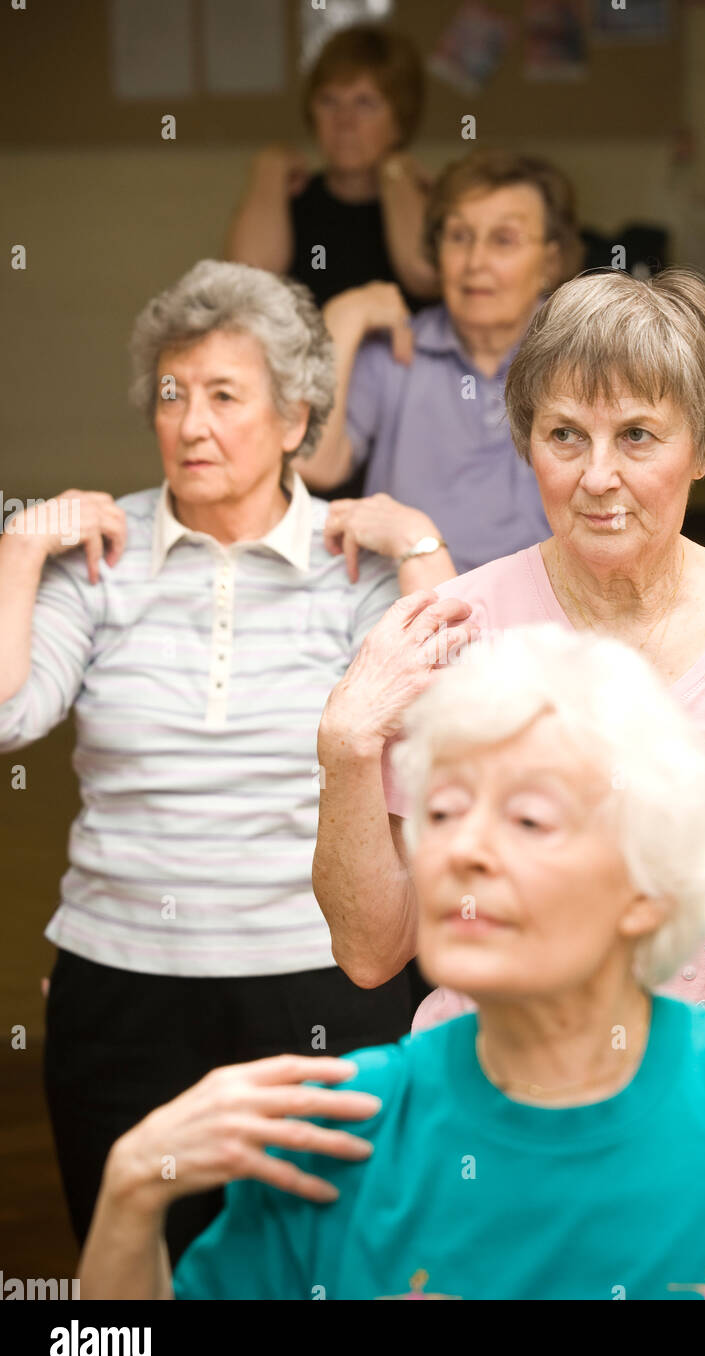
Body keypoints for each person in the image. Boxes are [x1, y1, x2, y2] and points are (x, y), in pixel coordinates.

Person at [76, 627, 705, 1300]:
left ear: (645, 886)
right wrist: (128, 1193)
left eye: (527, 821)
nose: (464, 853)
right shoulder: (332, 1128)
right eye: (444, 813)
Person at [313, 268, 705, 1035]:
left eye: (636, 435)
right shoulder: (449, 635)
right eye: (564, 434)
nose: (597, 477)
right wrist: (344, 752)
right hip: (507, 1117)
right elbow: (372, 952)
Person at [0, 259, 454, 1266]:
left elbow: (458, 728)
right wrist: (21, 548)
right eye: (170, 395)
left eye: (221, 395)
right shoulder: (101, 558)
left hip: (325, 978)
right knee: (133, 1268)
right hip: (121, 984)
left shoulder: (356, 563)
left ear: (296, 419)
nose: (190, 423)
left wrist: (419, 546)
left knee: (337, 1266)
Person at [297, 149, 582, 575]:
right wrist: (346, 315)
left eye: (503, 240)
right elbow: (314, 463)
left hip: (548, 619)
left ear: (550, 262)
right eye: (459, 237)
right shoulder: (397, 351)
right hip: (410, 607)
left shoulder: (582, 354)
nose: (475, 262)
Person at [225, 24, 436, 309]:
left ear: (401, 120)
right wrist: (269, 170)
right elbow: (246, 279)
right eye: (329, 101)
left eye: (365, 103)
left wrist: (395, 172)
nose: (344, 121)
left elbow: (425, 274)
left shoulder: (432, 200)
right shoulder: (291, 201)